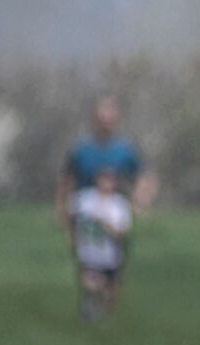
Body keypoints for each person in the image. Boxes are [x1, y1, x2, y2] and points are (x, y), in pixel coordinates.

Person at [55, 95, 157, 310]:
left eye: (110, 117)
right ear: (94, 119)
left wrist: (140, 201)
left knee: (115, 265)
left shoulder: (125, 149)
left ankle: (109, 312)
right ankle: (91, 301)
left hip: (115, 215)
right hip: (85, 214)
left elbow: (145, 176)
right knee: (88, 262)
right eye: (102, 117)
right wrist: (62, 210)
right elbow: (66, 179)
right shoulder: (81, 149)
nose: (106, 122)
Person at [68, 167, 134, 324]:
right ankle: (89, 307)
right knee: (91, 282)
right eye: (103, 179)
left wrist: (106, 224)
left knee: (111, 291)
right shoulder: (84, 199)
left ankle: (104, 316)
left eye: (110, 180)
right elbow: (71, 217)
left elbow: (123, 231)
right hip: (90, 252)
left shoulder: (119, 204)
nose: (106, 183)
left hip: (111, 254)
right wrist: (72, 236)